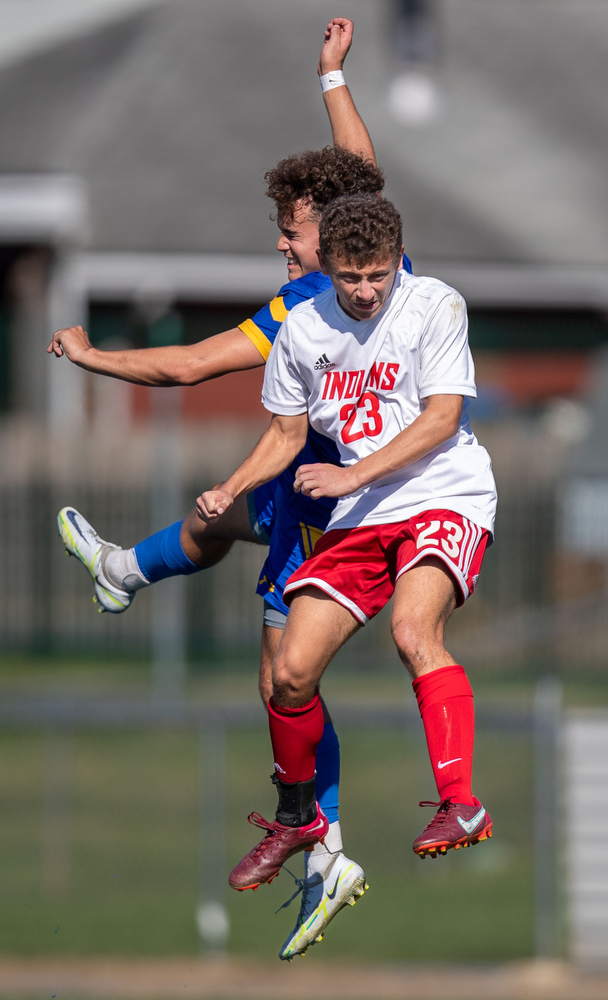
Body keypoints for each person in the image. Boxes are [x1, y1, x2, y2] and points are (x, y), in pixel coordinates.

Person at [48, 19, 401, 959]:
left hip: (342, 501)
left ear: (321, 230)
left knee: (282, 677)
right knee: (225, 522)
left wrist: (90, 357)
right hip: (336, 491)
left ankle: (324, 850)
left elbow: (188, 366)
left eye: (288, 231)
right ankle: (125, 569)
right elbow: (360, 169)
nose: (281, 246)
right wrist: (330, 76)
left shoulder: (311, 299)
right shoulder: (387, 269)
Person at [195, 194, 497, 906]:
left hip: (442, 494)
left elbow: (443, 417)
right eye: (352, 276)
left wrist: (352, 473)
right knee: (289, 676)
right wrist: (230, 486)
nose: (366, 291)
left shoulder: (434, 306)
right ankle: (300, 820)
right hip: (361, 513)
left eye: (379, 274)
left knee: (412, 629)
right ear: (326, 264)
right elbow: (285, 434)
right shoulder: (301, 329)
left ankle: (461, 800)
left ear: (398, 260)